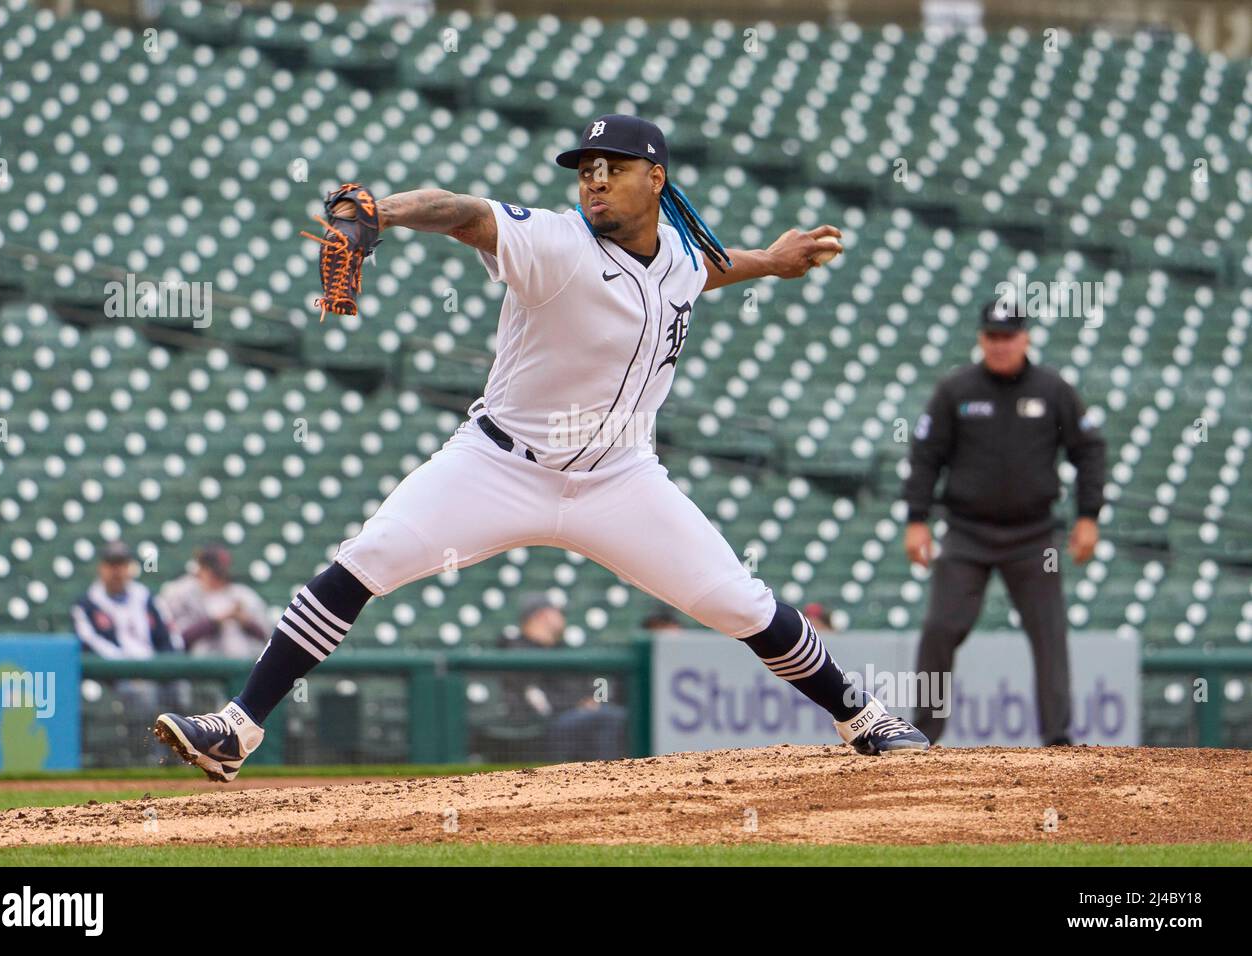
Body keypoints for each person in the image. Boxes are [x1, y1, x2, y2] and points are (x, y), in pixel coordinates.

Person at [154, 113, 928, 782]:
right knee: (367, 560)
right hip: (498, 464)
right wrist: (379, 213)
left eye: (613, 170)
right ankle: (237, 729)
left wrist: (773, 260)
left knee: (738, 601)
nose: (593, 182)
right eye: (586, 170)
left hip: (621, 478)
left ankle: (862, 718)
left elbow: (700, 273)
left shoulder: (684, 255)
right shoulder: (554, 243)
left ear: (656, 179)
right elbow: (461, 212)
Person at [901, 299, 1107, 746]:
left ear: (1025, 337)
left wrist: (1088, 516)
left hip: (1035, 535)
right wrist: (916, 519)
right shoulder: (955, 390)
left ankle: (1057, 738)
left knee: (1049, 631)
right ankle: (922, 734)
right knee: (941, 627)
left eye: (1008, 336)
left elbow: (1089, 450)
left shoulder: (1054, 390)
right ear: (981, 338)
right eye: (992, 336)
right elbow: (925, 457)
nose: (1000, 345)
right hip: (967, 532)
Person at [494, 594, 626, 762]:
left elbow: (590, 684)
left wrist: (592, 700)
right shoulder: (516, 649)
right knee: (610, 717)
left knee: (611, 714)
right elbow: (534, 697)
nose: (562, 618)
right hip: (539, 725)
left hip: (570, 720)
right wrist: (577, 704)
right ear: (542, 616)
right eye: (558, 612)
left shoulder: (561, 649)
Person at [70, 542, 180, 659]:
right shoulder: (86, 604)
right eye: (112, 565)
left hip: (153, 671)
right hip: (111, 674)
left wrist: (159, 666)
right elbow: (88, 640)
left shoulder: (148, 599)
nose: (116, 571)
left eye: (121, 564)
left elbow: (172, 639)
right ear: (101, 568)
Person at [159, 546, 271, 659]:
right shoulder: (181, 593)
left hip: (243, 665)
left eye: (219, 572)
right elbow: (175, 640)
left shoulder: (244, 594)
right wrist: (214, 622)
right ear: (200, 568)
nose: (214, 576)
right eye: (209, 569)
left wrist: (246, 622)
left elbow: (267, 637)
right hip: (198, 669)